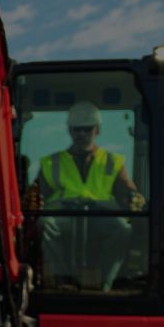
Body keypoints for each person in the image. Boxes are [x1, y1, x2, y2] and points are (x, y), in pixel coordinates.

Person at [31, 101, 145, 289]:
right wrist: (31, 200)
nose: (82, 134)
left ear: (97, 130)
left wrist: (133, 198)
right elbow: (36, 195)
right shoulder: (52, 163)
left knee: (122, 229)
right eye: (77, 130)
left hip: (99, 217)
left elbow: (127, 191)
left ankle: (105, 284)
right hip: (64, 217)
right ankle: (62, 280)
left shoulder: (112, 162)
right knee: (46, 224)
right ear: (70, 131)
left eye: (87, 129)